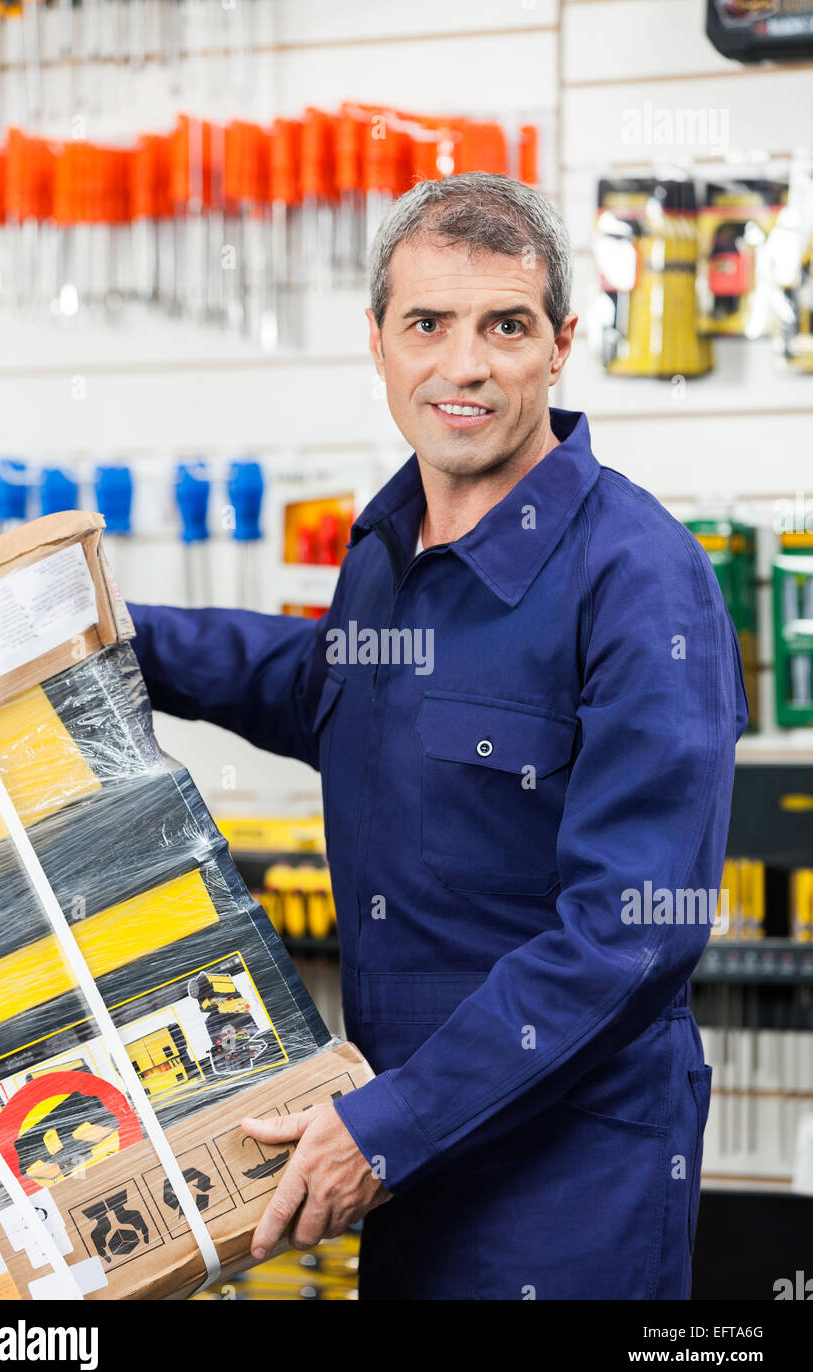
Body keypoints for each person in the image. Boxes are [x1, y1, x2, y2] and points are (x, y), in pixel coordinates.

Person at [128, 172, 748, 1300]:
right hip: (402, 1164)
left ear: (559, 343)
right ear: (377, 344)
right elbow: (322, 691)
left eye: (503, 326)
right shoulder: (387, 546)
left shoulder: (640, 579)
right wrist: (106, 633)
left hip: (565, 1192)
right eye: (427, 324)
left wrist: (386, 1125)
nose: (463, 366)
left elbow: (626, 934)